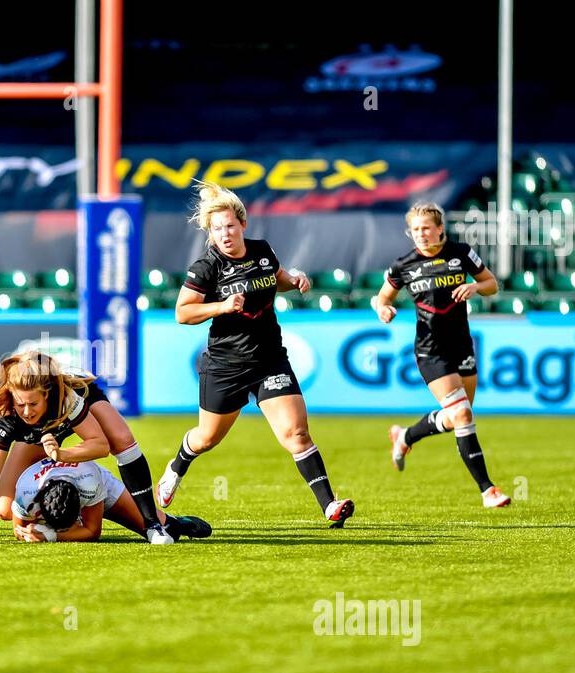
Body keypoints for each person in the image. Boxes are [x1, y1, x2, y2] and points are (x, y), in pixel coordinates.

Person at [157, 181, 355, 527]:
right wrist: (221, 306)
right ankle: (176, 466)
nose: (225, 234)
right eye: (218, 229)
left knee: (296, 433)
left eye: (230, 226)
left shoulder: (262, 251)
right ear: (210, 232)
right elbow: (182, 313)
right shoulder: (206, 267)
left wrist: (295, 281)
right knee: (205, 439)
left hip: (269, 359)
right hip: (225, 365)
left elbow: (273, 277)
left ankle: (329, 505)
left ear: (243, 224)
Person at [0, 350, 176, 545]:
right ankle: (83, 502)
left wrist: (62, 455)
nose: (27, 411)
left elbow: (101, 445)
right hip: (38, 436)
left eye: (33, 403)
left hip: (82, 397)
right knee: (4, 509)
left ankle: (156, 522)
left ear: (46, 395)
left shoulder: (66, 398)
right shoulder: (8, 415)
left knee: (121, 439)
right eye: (21, 404)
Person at [375, 201, 511, 508]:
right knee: (462, 414)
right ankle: (488, 490)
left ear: (440, 230)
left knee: (457, 418)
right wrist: (383, 309)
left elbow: (492, 284)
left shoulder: (460, 254)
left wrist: (475, 289)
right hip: (430, 351)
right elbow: (381, 297)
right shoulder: (403, 265)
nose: (421, 235)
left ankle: (406, 436)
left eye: (426, 228)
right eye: (415, 230)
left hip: (462, 345)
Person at [8, 458, 211, 543]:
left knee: (162, 530)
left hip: (102, 487)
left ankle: (176, 522)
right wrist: (28, 533)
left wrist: (52, 536)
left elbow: (92, 531)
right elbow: (18, 528)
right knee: (2, 510)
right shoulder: (26, 492)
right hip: (57, 486)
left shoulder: (89, 481)